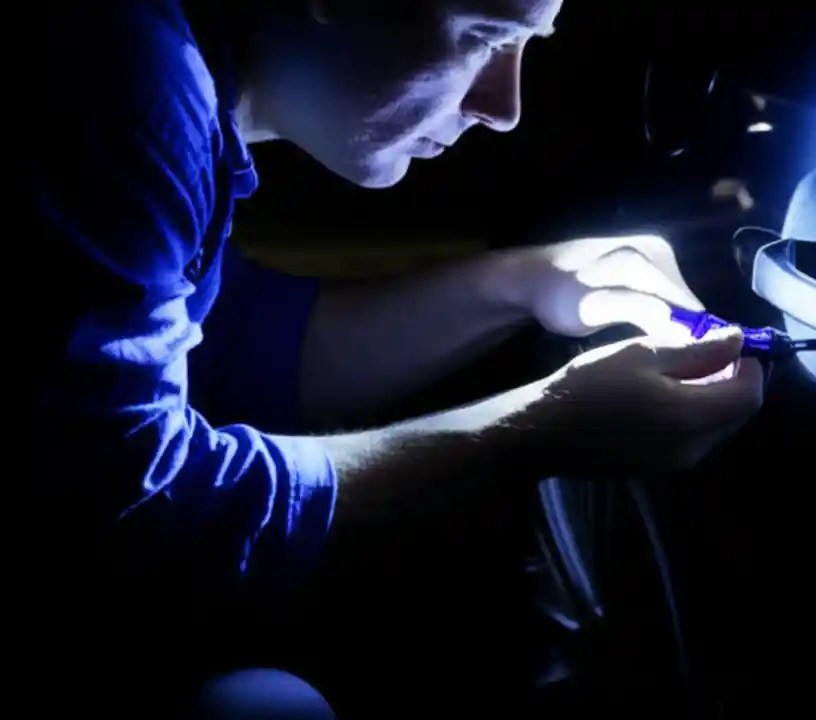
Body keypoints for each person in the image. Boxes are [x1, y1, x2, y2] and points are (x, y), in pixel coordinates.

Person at [30, 0, 764, 715]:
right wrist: (540, 429)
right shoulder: (126, 72)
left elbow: (237, 348)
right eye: (485, 36)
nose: (503, 106)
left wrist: (527, 282)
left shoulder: (173, 77)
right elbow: (137, 508)